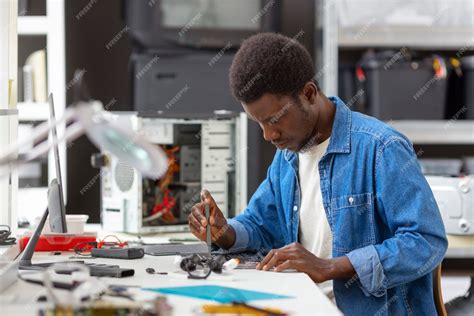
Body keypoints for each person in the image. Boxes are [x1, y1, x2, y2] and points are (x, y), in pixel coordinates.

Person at [187, 33, 447, 315]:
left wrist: (331, 267)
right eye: (259, 123)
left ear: (308, 94)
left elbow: (426, 242)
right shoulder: (288, 155)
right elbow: (261, 223)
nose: (268, 135)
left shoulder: (381, 148)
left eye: (274, 120)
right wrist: (226, 234)